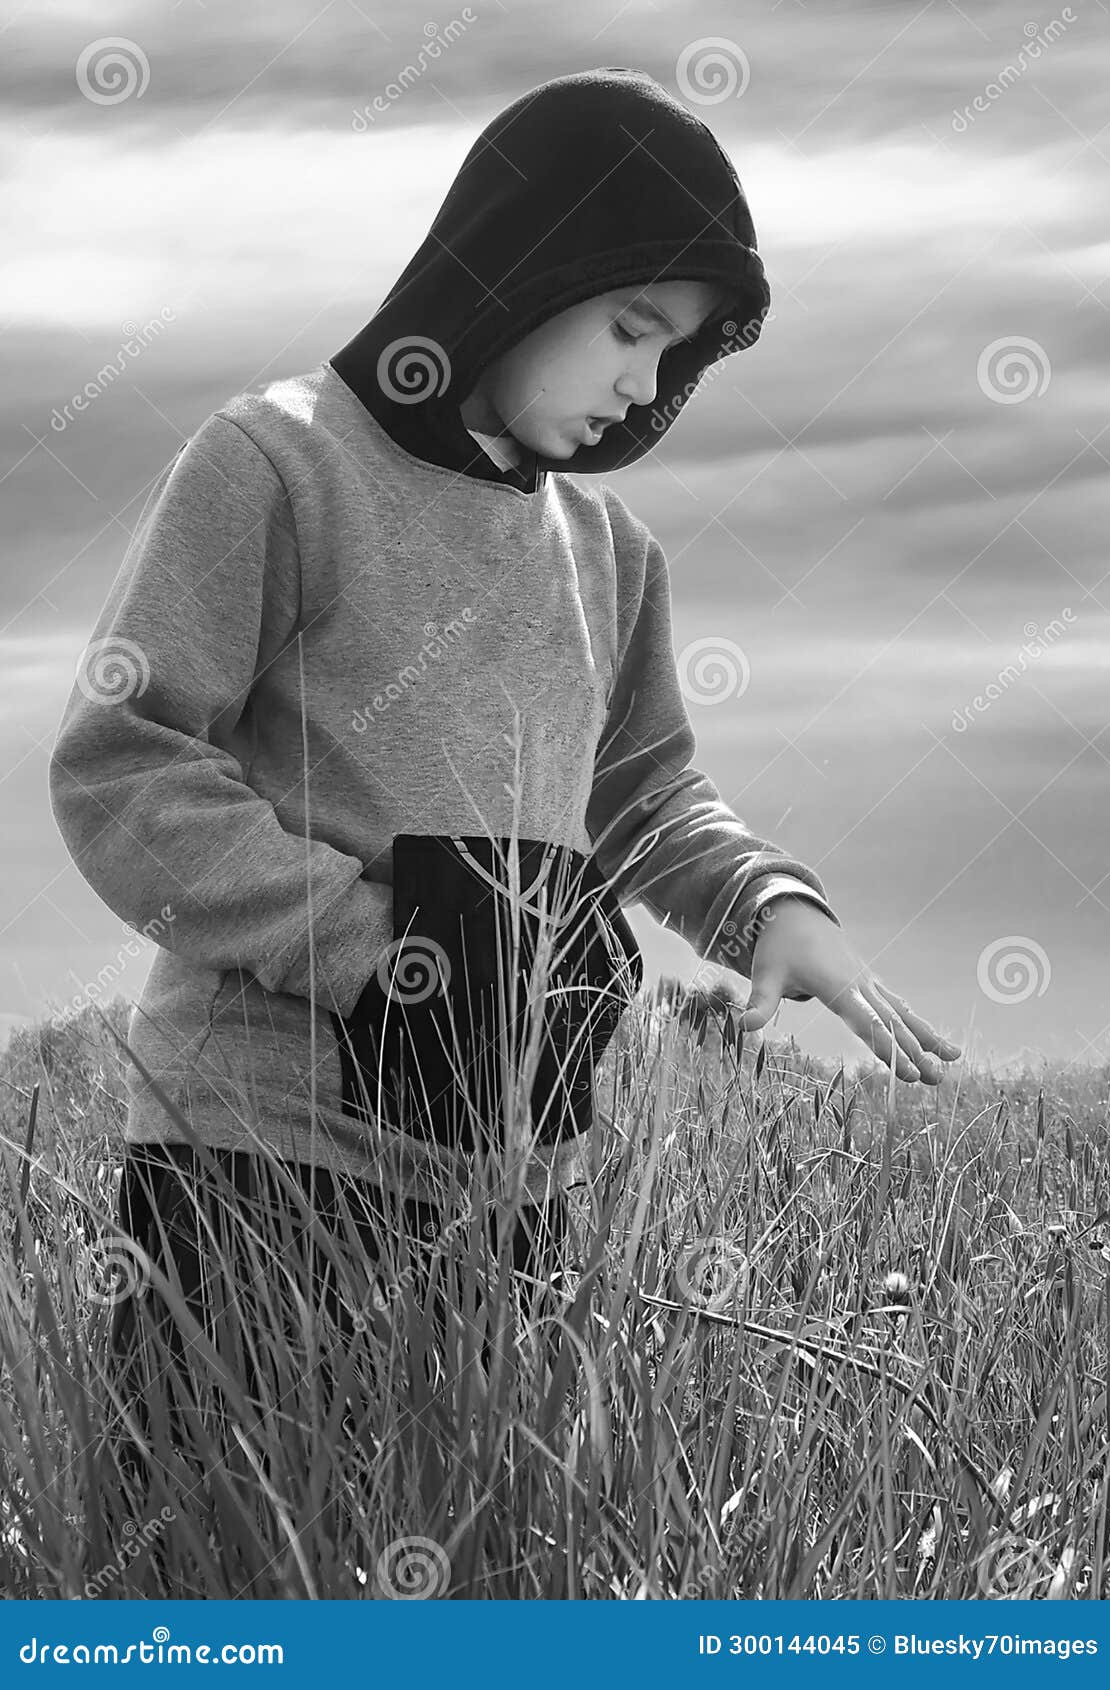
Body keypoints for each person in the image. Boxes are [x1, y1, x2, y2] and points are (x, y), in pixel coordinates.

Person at [48, 67, 960, 1527]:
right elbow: (125, 762)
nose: (646, 387)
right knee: (198, 1572)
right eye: (629, 328)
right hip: (255, 1155)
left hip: (498, 1181)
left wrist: (769, 905)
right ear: (526, 261)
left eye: (681, 359)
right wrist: (376, 950)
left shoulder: (610, 555)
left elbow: (651, 793)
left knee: (450, 1570)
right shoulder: (275, 463)